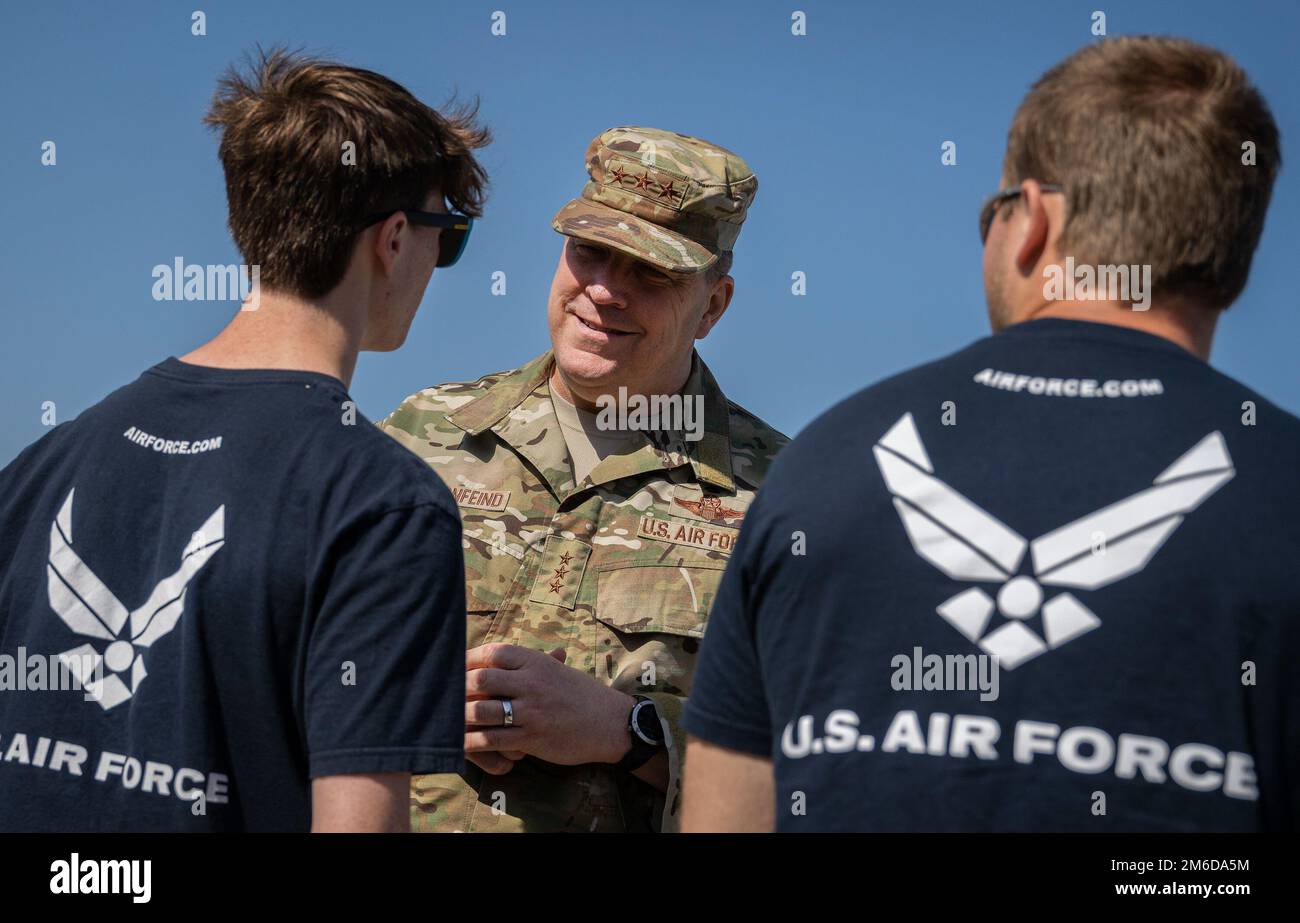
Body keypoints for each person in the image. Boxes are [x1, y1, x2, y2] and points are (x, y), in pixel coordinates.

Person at [681, 35, 1297, 832]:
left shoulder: (821, 468)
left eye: (993, 211)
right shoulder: (1279, 489)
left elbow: (726, 816)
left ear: (1033, 221)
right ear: (1233, 260)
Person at [0, 49, 488, 832]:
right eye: (448, 234)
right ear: (394, 240)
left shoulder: (40, 468)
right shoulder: (386, 507)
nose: (440, 259)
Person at [379, 126, 788, 832]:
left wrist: (632, 732)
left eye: (652, 272)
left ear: (713, 306)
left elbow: (823, 772)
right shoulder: (423, 434)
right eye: (590, 251)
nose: (603, 290)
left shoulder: (781, 498)